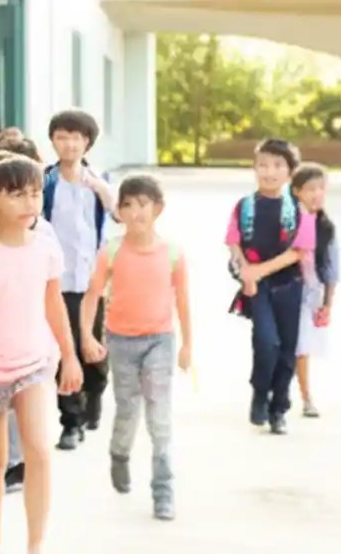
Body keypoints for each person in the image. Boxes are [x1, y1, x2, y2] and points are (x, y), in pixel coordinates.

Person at [0, 154, 83, 554]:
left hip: (33, 364)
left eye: (34, 193)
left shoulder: (45, 247)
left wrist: (70, 354)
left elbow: (54, 306)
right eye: (17, 194)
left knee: (40, 452)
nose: (30, 203)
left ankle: (35, 544)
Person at [81, 175, 191, 521]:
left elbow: (184, 301)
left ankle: (163, 490)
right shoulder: (111, 250)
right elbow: (93, 295)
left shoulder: (172, 252)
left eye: (142, 203)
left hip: (160, 339)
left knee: (159, 416)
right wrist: (87, 334)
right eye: (127, 204)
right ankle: (119, 453)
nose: (135, 211)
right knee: (127, 409)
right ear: (120, 212)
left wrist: (188, 344)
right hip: (121, 340)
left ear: (157, 208)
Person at [226, 138, 317, 434]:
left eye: (278, 165)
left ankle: (279, 407)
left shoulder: (300, 211)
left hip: (289, 285)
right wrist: (245, 273)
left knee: (287, 349)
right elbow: (234, 244)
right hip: (258, 289)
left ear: (290, 172)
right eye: (263, 165)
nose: (269, 172)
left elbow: (297, 252)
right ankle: (260, 392)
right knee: (266, 343)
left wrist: (257, 272)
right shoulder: (245, 206)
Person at [42, 109, 116, 450]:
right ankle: (70, 421)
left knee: (94, 351)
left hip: (92, 281)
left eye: (76, 138)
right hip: (56, 281)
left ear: (87, 143)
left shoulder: (100, 180)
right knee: (64, 350)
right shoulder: (45, 181)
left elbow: (118, 214)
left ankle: (95, 393)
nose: (69, 144)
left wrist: (102, 188)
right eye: (62, 137)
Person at [289, 163, 339, 417]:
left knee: (302, 346)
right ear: (296, 191)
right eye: (310, 189)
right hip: (286, 290)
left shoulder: (326, 228)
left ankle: (305, 396)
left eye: (321, 188)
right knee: (284, 346)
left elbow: (331, 266)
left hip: (311, 294)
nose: (317, 194)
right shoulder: (288, 221)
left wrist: (327, 303)